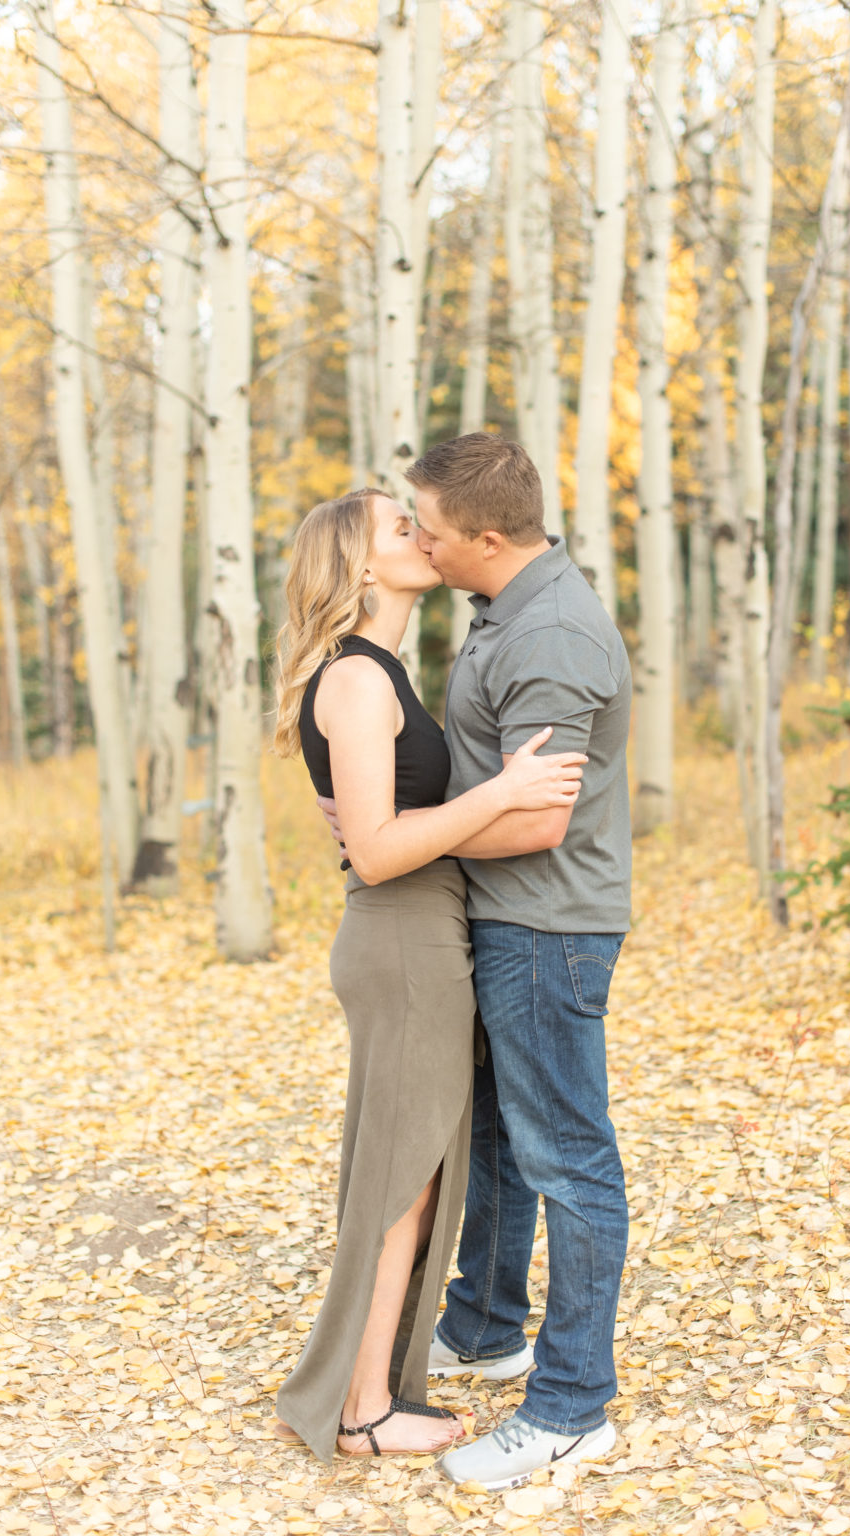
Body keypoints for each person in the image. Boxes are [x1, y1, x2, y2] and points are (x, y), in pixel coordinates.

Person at [322, 435, 631, 1490]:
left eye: (434, 530)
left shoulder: (549, 633)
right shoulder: (496, 615)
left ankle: (571, 1408)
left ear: (486, 539)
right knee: (496, 1147)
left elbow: (535, 821)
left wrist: (395, 831)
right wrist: (393, 824)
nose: (426, 543)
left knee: (565, 1155)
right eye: (406, 527)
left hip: (544, 923)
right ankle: (487, 1326)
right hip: (488, 919)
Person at [270, 486, 587, 1463]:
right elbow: (375, 852)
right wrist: (502, 792)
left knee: (414, 1176)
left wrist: (432, 811)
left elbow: (381, 826)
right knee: (400, 1180)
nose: (424, 534)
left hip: (418, 936)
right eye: (400, 527)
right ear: (361, 568)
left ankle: (372, 1392)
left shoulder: (381, 674)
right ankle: (361, 1409)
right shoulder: (359, 680)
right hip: (401, 943)